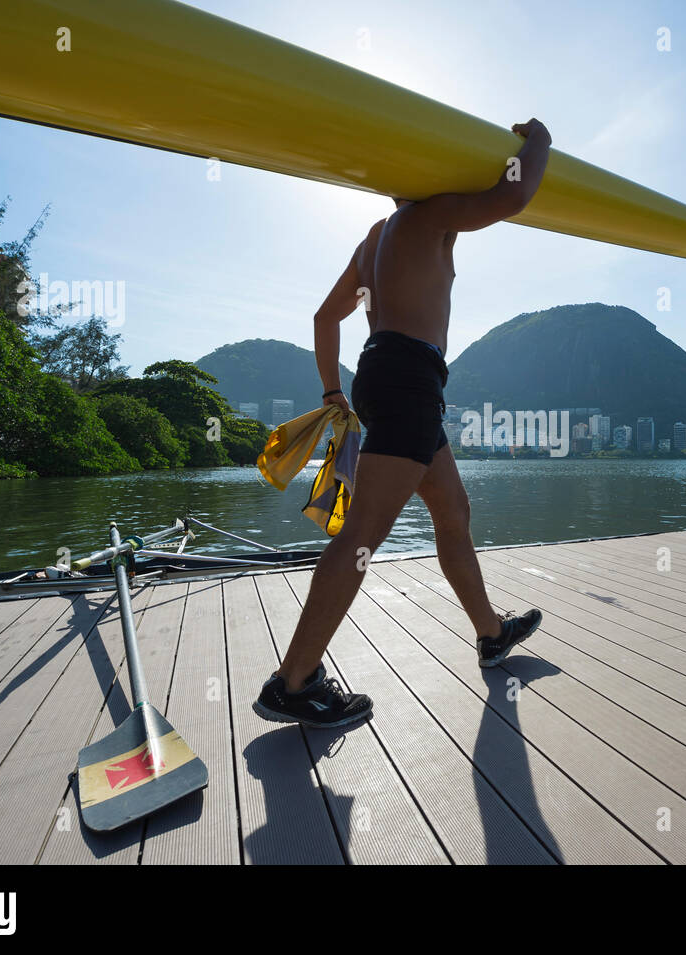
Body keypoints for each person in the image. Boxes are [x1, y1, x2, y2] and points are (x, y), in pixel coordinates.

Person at [254, 119, 554, 727]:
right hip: (410, 380)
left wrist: (334, 390)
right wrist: (540, 141)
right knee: (362, 535)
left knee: (453, 512)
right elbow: (512, 197)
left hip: (386, 378)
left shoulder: (376, 236)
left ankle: (491, 633)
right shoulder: (432, 214)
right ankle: (294, 682)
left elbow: (324, 318)